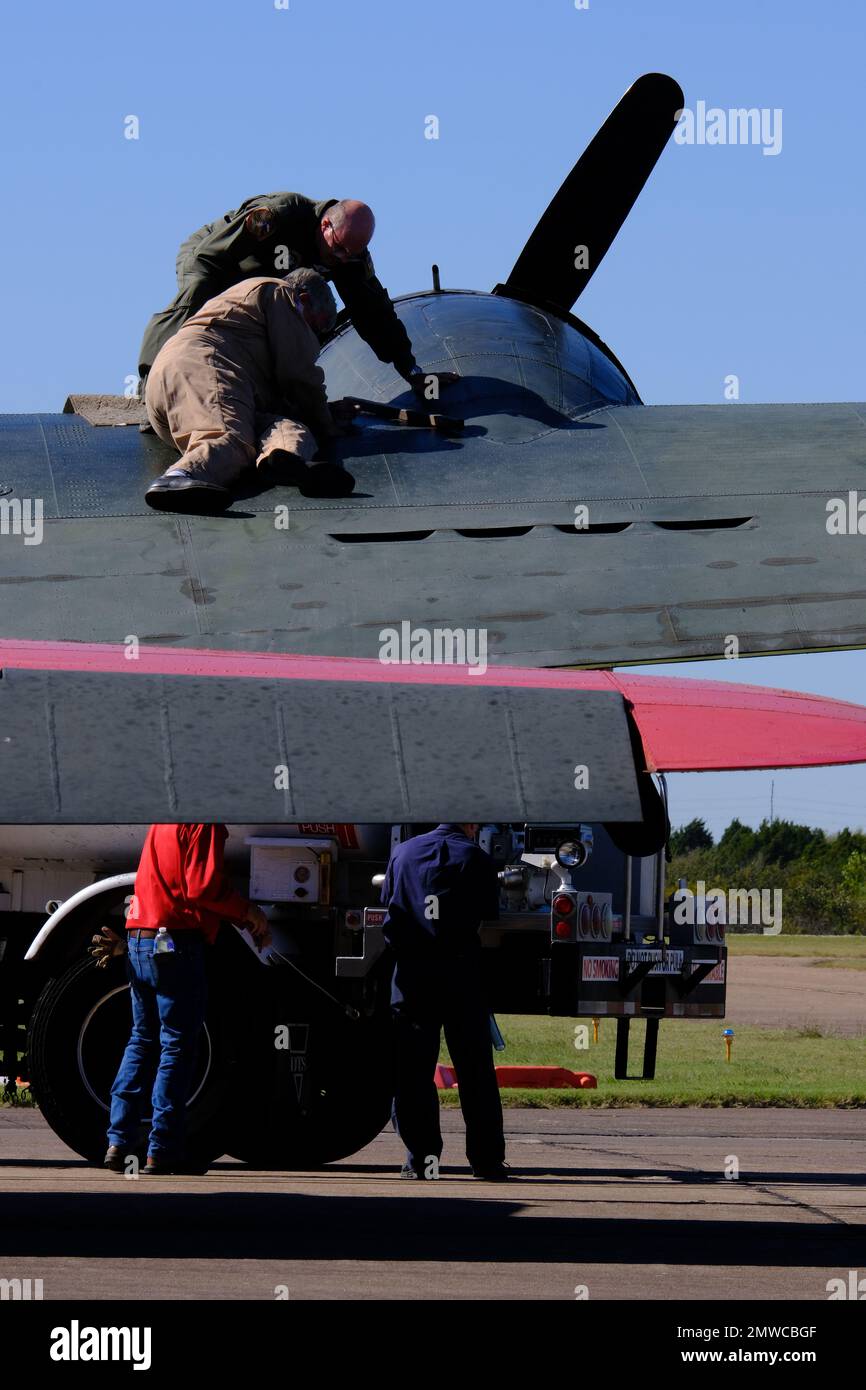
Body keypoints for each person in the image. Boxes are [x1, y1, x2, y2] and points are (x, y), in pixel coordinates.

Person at [138, 194, 459, 397]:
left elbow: (374, 313)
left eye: (352, 253)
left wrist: (412, 372)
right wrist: (208, 305)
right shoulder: (279, 216)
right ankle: (151, 382)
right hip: (220, 259)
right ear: (325, 226)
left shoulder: (351, 257)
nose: (343, 258)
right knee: (199, 294)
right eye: (339, 248)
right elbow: (209, 257)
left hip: (267, 287)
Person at [96, 823, 270, 1175]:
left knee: (141, 1040)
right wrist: (248, 912)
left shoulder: (163, 822)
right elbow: (202, 888)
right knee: (176, 1045)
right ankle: (163, 1150)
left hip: (140, 937)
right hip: (175, 942)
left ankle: (119, 1141)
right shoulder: (202, 823)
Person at [144, 267, 355, 511]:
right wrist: (327, 424)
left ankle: (284, 459)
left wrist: (325, 411)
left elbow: (286, 392)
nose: (314, 339)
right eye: (317, 329)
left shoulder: (253, 335)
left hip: (188, 395)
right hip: (202, 365)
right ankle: (178, 477)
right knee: (230, 439)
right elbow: (298, 374)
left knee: (288, 428)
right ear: (304, 300)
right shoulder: (280, 292)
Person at [380, 823, 507, 1180]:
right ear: (470, 824)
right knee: (475, 1070)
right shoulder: (476, 858)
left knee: (413, 1070)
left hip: (411, 975)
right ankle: (486, 1161)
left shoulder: (402, 853)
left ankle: (420, 1159)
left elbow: (391, 905)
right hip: (460, 974)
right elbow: (486, 918)